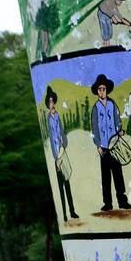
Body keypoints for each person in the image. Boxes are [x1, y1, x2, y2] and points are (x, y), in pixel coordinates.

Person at [89, 73, 131, 211]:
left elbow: (117, 119)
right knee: (105, 176)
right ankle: (107, 203)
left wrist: (119, 131)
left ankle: (122, 201)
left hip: (114, 144)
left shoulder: (112, 104)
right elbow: (94, 127)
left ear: (106, 90)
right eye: (100, 89)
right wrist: (97, 145)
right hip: (103, 146)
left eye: (104, 89)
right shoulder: (96, 108)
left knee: (118, 174)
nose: (102, 91)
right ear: (97, 91)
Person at [44, 85, 78, 221]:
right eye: (49, 102)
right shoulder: (48, 119)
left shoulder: (57, 116)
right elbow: (52, 138)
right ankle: (63, 214)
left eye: (53, 101)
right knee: (60, 186)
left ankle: (72, 211)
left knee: (67, 183)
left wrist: (64, 145)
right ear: (48, 104)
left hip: (62, 151)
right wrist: (56, 158)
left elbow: (62, 133)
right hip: (56, 156)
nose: (52, 104)